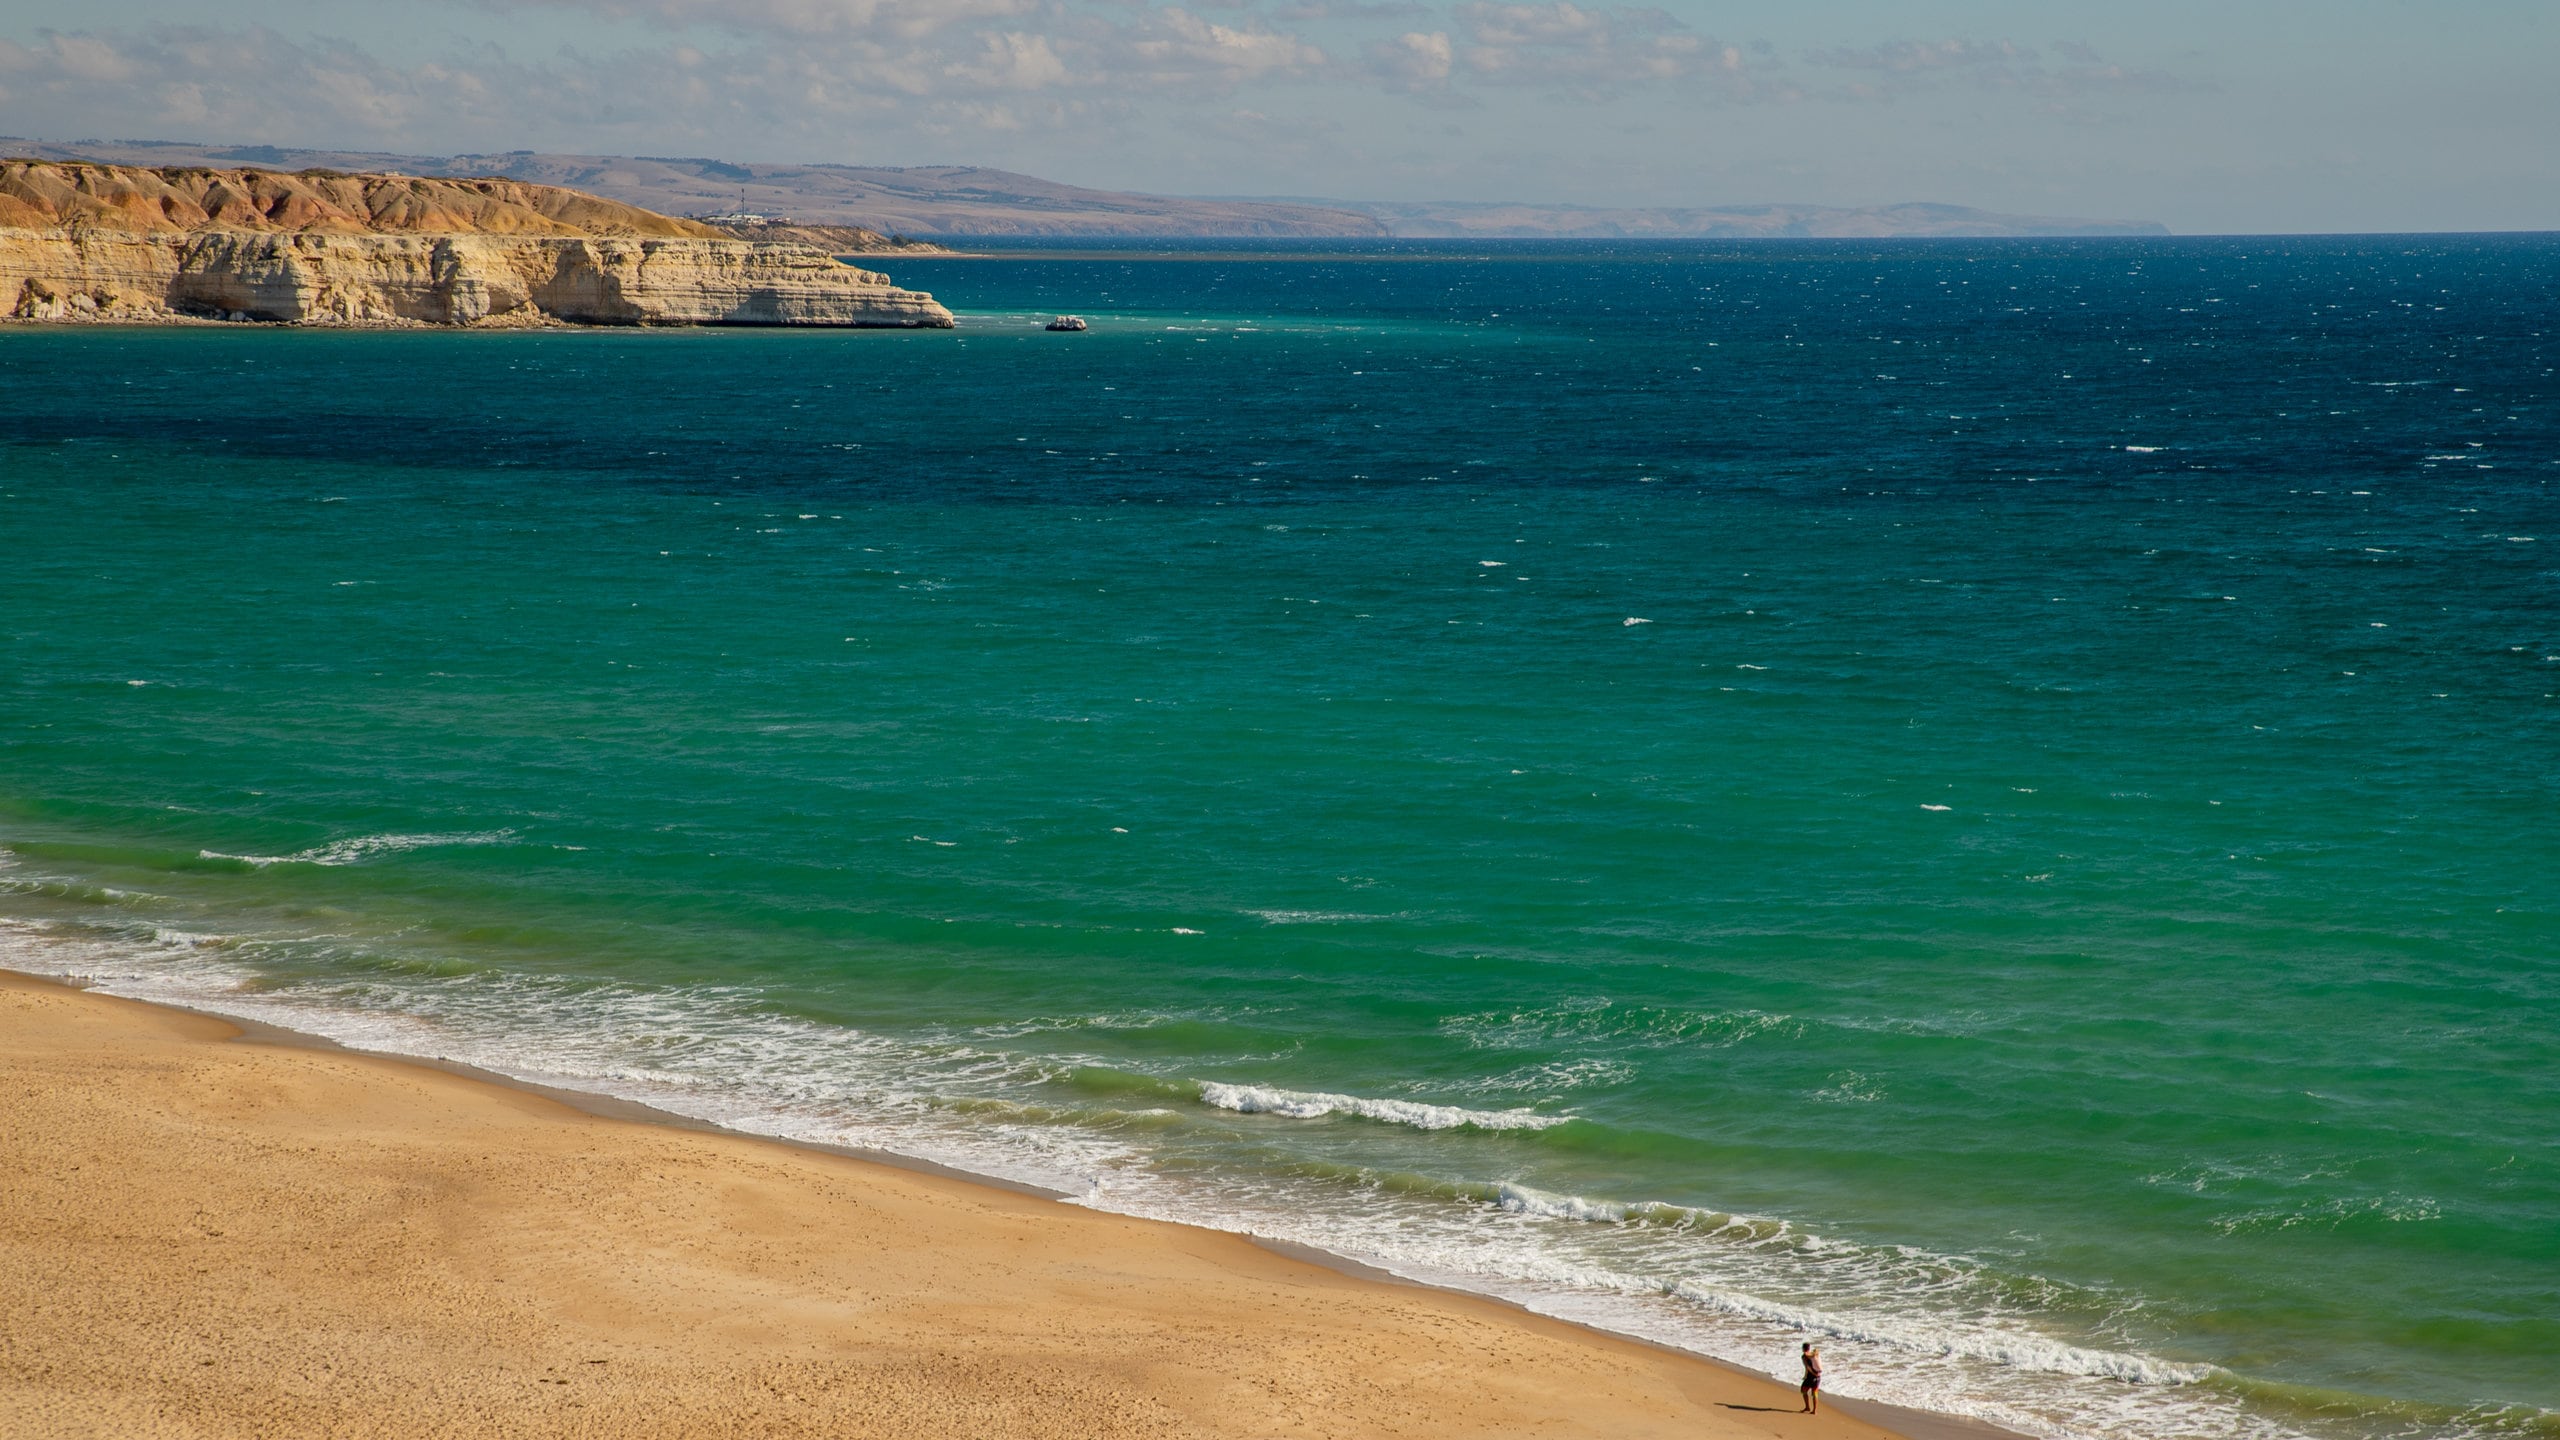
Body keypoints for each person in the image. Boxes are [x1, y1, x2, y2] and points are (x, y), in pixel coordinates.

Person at [1799, 1341, 1823, 1414]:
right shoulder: (1815, 1354)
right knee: (1815, 1393)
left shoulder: (1804, 1356)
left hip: (1811, 1376)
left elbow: (1808, 1367)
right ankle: (1814, 1410)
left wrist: (1806, 1375)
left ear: (1803, 1349)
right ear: (1809, 1348)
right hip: (1818, 1376)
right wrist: (1817, 1375)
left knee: (1803, 1390)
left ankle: (1807, 1407)